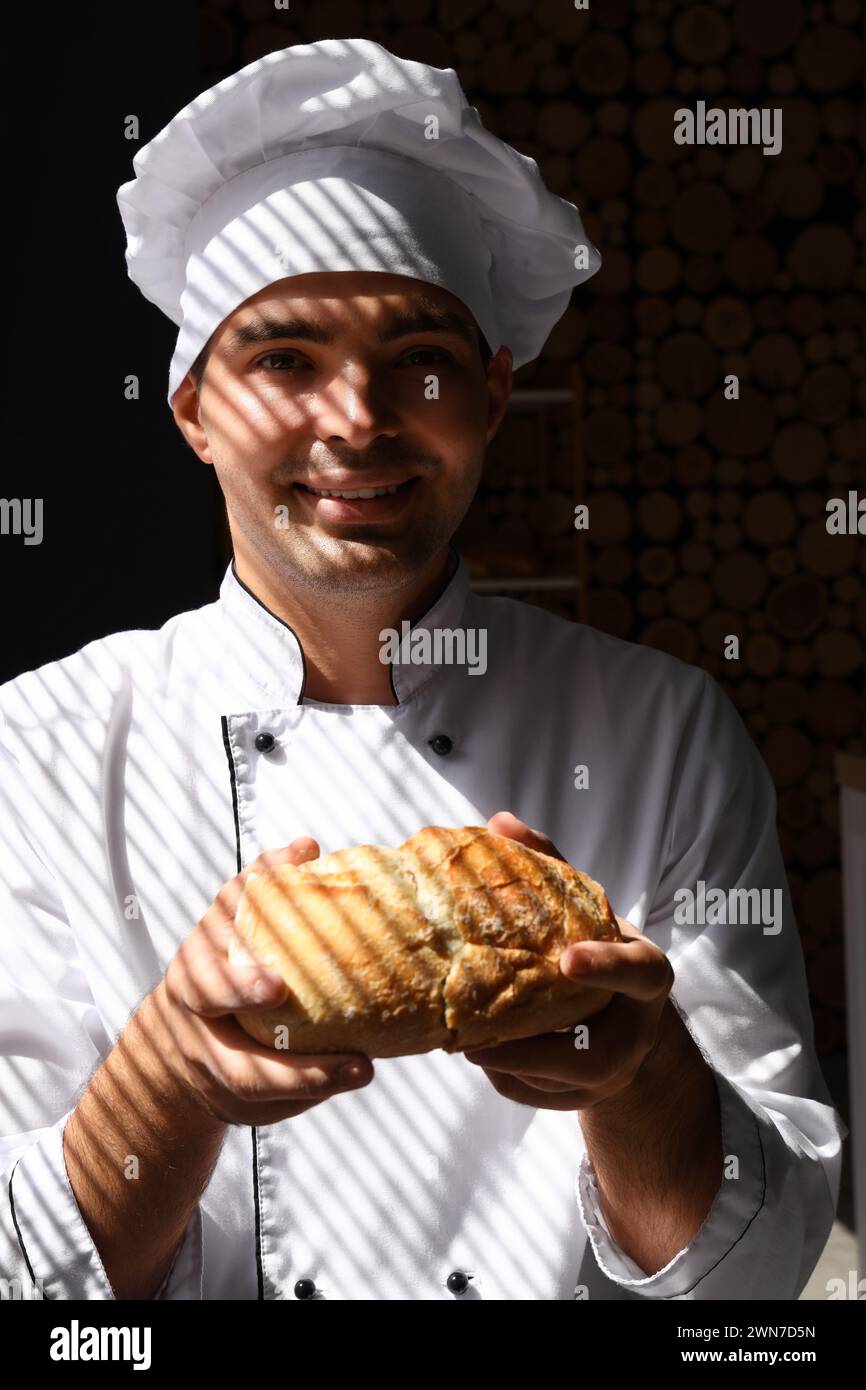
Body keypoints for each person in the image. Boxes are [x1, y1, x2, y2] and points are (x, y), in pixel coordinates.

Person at [0, 38, 845, 1302]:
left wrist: (641, 1070)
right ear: (193, 409)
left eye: (420, 359)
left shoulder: (659, 728)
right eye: (283, 358)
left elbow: (760, 1278)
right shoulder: (46, 745)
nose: (356, 417)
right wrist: (170, 1071)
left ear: (492, 396)